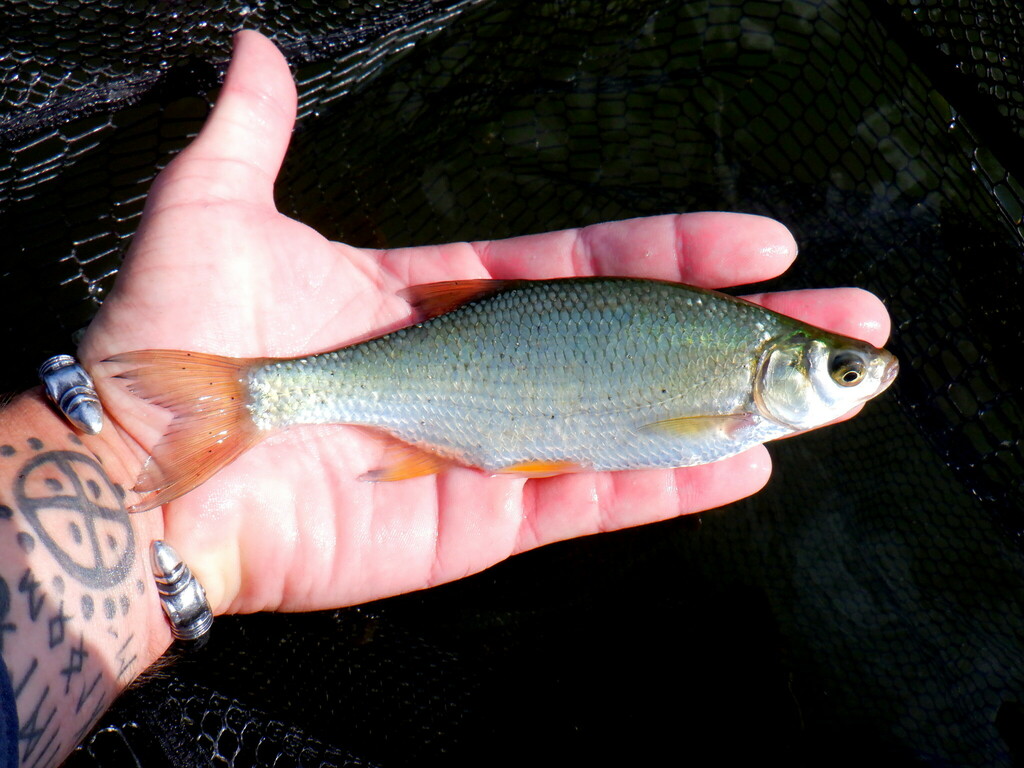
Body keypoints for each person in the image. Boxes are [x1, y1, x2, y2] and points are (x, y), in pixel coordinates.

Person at [0, 30, 891, 768]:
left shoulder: (733, 372)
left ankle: (187, 426)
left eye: (842, 373)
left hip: (469, 401)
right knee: (266, 399)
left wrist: (108, 453)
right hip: (448, 398)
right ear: (776, 367)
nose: (855, 383)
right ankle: (235, 408)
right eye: (840, 372)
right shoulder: (737, 385)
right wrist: (119, 454)